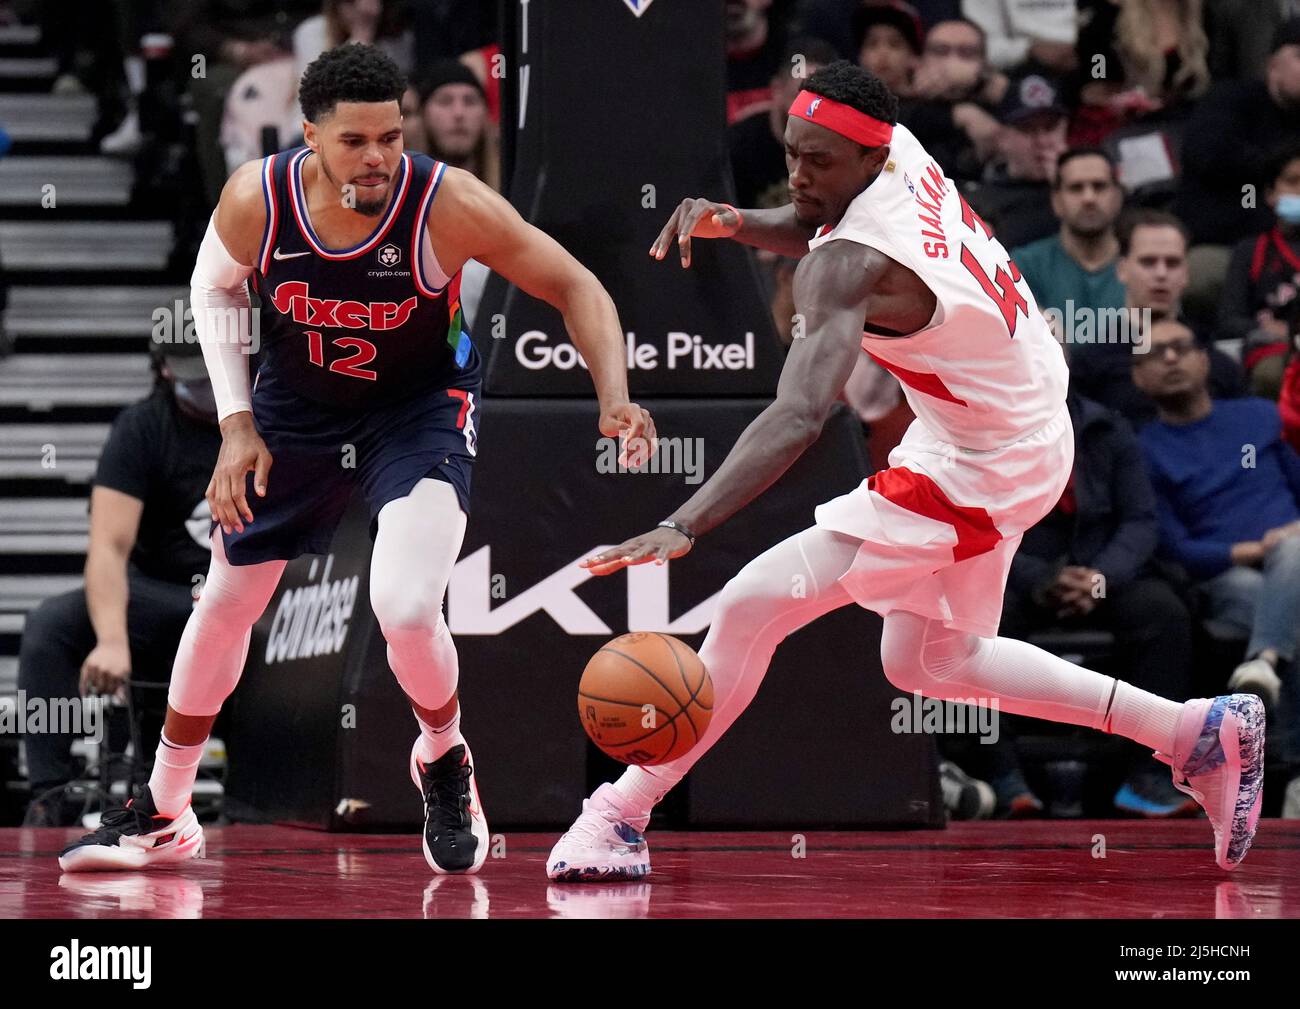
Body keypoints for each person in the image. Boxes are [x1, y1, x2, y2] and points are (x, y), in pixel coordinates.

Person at [546, 61, 1264, 882]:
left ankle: (618, 814)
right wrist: (739, 221)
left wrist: (685, 522)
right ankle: (1195, 733)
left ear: (866, 156)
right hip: (1010, 420)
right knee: (931, 661)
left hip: (985, 458)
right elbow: (818, 216)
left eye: (819, 161)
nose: (800, 174)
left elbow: (801, 414)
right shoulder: (898, 153)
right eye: (791, 152)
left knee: (748, 605)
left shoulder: (848, 266)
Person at [58, 43, 654, 876]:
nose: (377, 158)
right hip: (294, 410)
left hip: (417, 411)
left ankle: (444, 758)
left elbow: (578, 285)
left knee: (405, 606)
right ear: (309, 135)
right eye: (354, 141)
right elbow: (215, 287)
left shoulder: (447, 204)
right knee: (228, 598)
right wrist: (236, 422)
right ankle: (162, 809)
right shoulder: (255, 198)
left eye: (390, 136)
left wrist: (613, 393)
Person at [19, 342, 221, 826]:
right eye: (194, 374)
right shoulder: (144, 428)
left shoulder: (273, 417)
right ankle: (50, 796)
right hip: (159, 597)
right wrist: (110, 639)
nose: (206, 387)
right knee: (51, 626)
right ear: (165, 369)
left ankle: (260, 800)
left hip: (245, 595)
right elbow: (108, 546)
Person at [1133, 317, 1300, 717]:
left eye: (1182, 347)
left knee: (1293, 555)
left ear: (1205, 361)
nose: (1171, 358)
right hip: (1224, 577)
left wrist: (1289, 537)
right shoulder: (1144, 450)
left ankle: (1264, 662)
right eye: (1155, 354)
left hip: (1295, 551)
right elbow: (1174, 548)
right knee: (1277, 601)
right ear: (1138, 378)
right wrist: (1253, 550)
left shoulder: (1258, 416)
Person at [1217, 142, 1300, 399]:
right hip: (1275, 353)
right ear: (1270, 194)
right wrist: (1274, 332)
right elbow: (1229, 320)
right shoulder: (1252, 250)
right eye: (1293, 181)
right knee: (1272, 372)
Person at [1011, 147, 1126, 319]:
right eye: (1076, 188)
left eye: (1099, 186)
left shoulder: (1147, 263)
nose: (1089, 198)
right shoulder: (1024, 266)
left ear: (1118, 197)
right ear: (1056, 200)